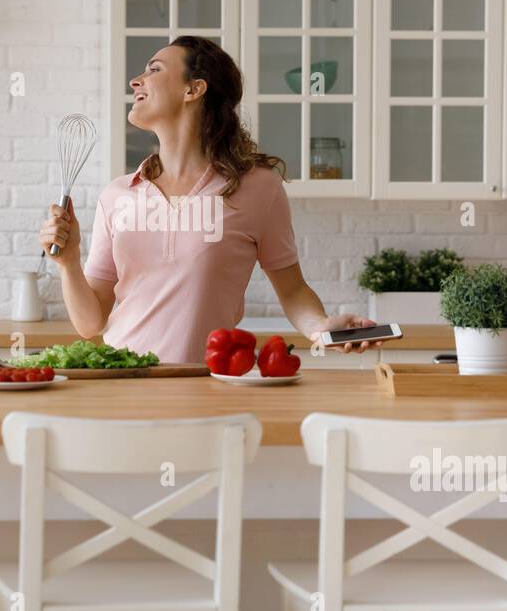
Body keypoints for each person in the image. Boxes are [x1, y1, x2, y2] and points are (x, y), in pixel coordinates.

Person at [38, 35, 389, 364]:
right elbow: (90, 322)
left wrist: (320, 328)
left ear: (194, 89)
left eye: (154, 69)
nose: (136, 80)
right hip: (125, 381)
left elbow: (293, 290)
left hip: (209, 385)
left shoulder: (259, 188)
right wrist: (69, 263)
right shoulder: (117, 195)